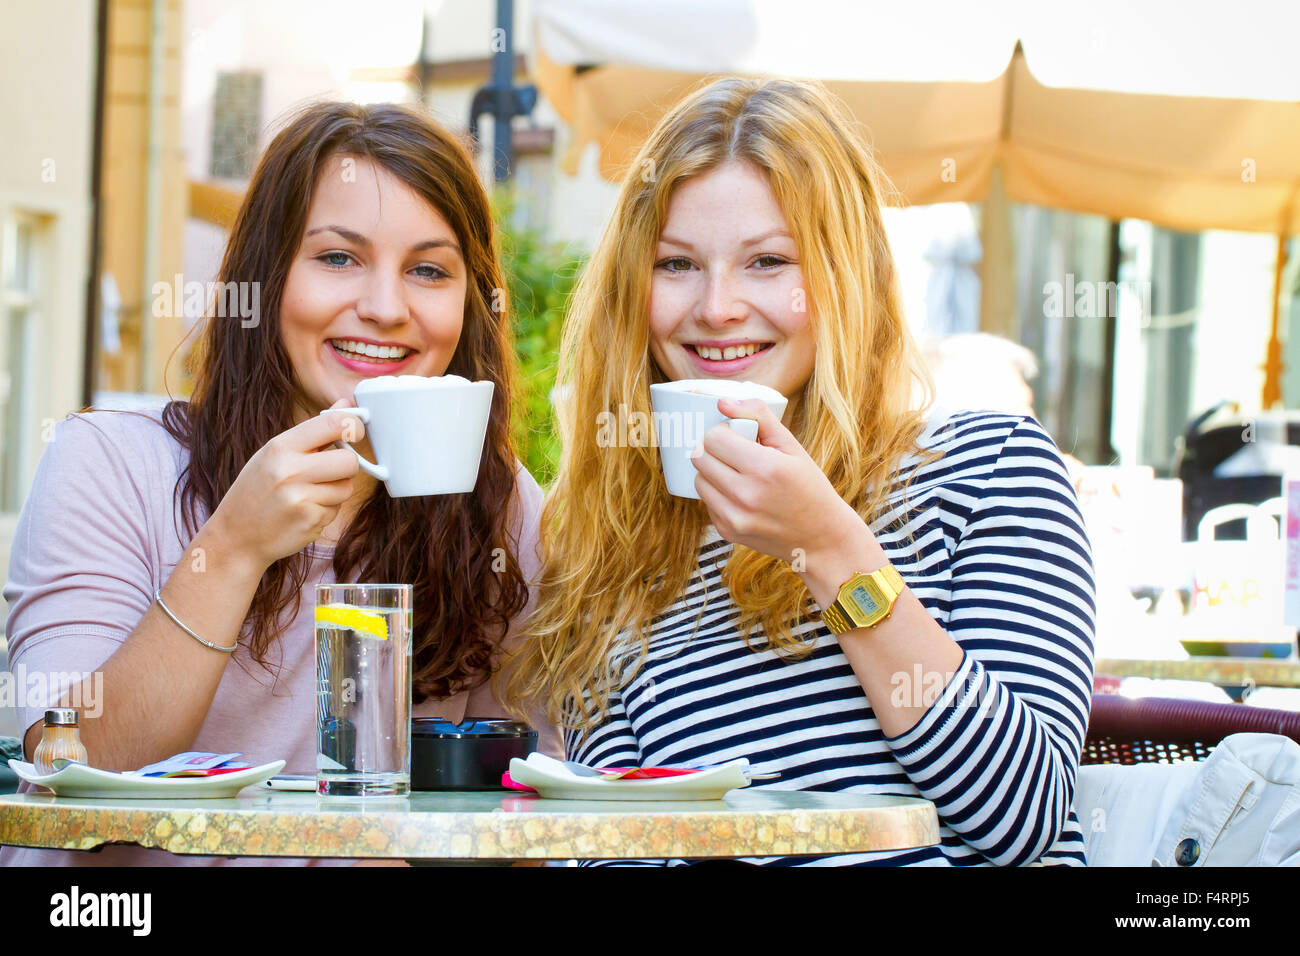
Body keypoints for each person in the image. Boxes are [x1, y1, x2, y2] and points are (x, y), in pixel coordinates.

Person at [506, 77, 1097, 866]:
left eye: (768, 261)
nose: (716, 307)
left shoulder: (986, 469)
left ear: (844, 273)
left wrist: (828, 550)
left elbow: (1018, 817)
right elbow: (623, 844)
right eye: (677, 264)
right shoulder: (613, 547)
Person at [2, 101, 556, 866]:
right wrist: (232, 549)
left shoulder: (502, 512)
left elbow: (515, 812)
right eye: (337, 258)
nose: (385, 308)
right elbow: (71, 771)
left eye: (428, 270)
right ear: (264, 277)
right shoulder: (109, 464)